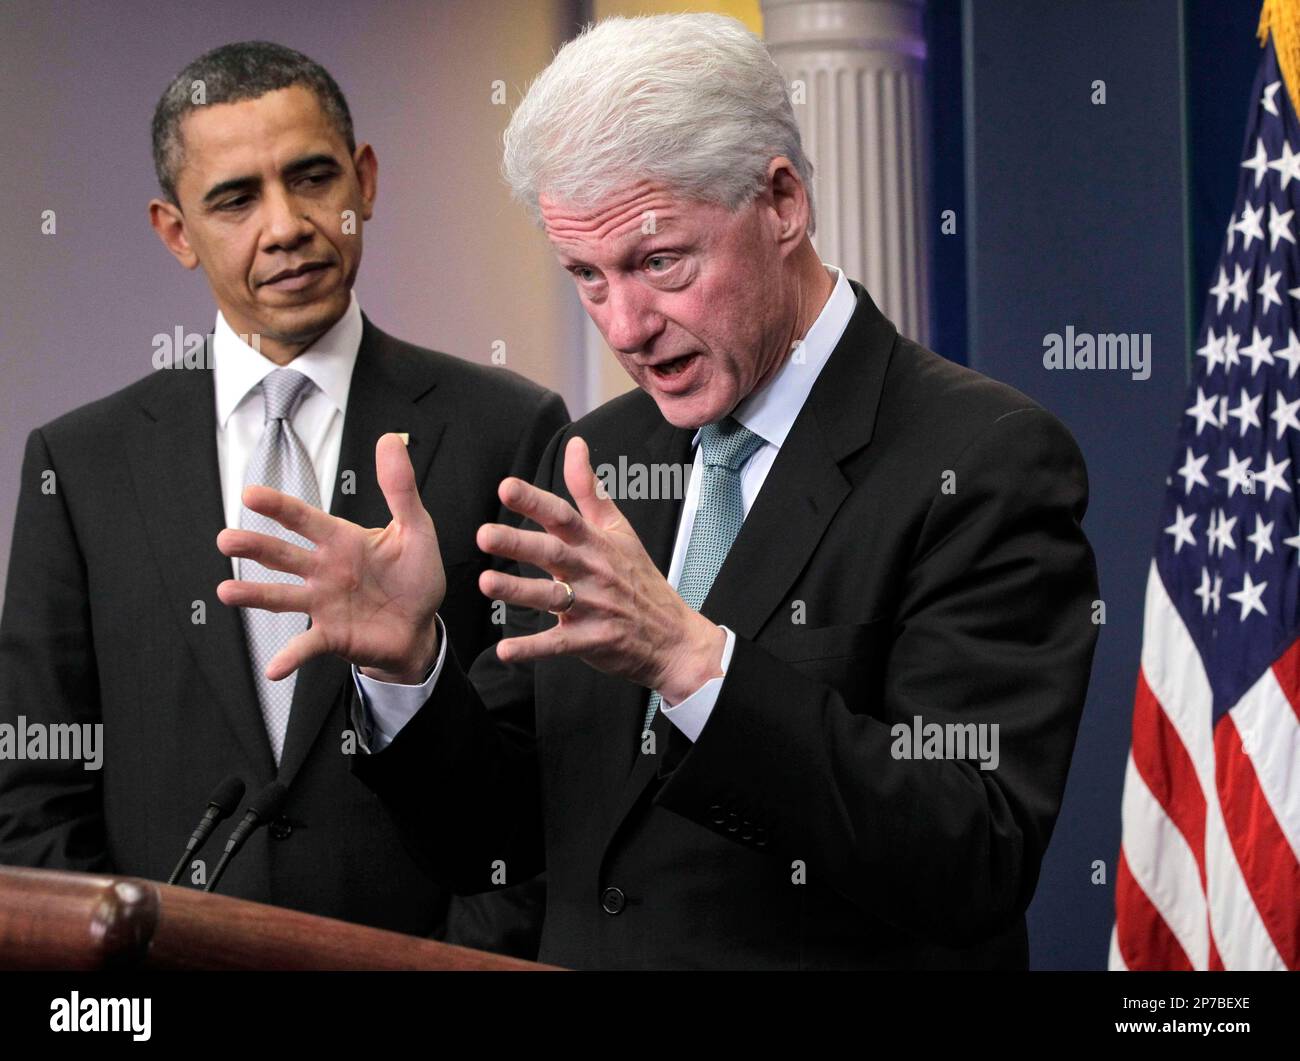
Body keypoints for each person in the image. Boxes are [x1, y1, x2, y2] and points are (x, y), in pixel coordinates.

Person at [217, 15, 1100, 969]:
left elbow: (972, 853)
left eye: (658, 262)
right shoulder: (590, 459)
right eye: (587, 276)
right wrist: (408, 672)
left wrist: (692, 660)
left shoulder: (985, 456)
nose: (626, 325)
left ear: (783, 201)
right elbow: (500, 845)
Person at [0, 41, 565, 959]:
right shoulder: (79, 464)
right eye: (234, 198)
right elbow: (35, 789)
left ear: (365, 181)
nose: (287, 225)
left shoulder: (510, 428)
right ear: (175, 232)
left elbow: (540, 783)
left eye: (312, 178)